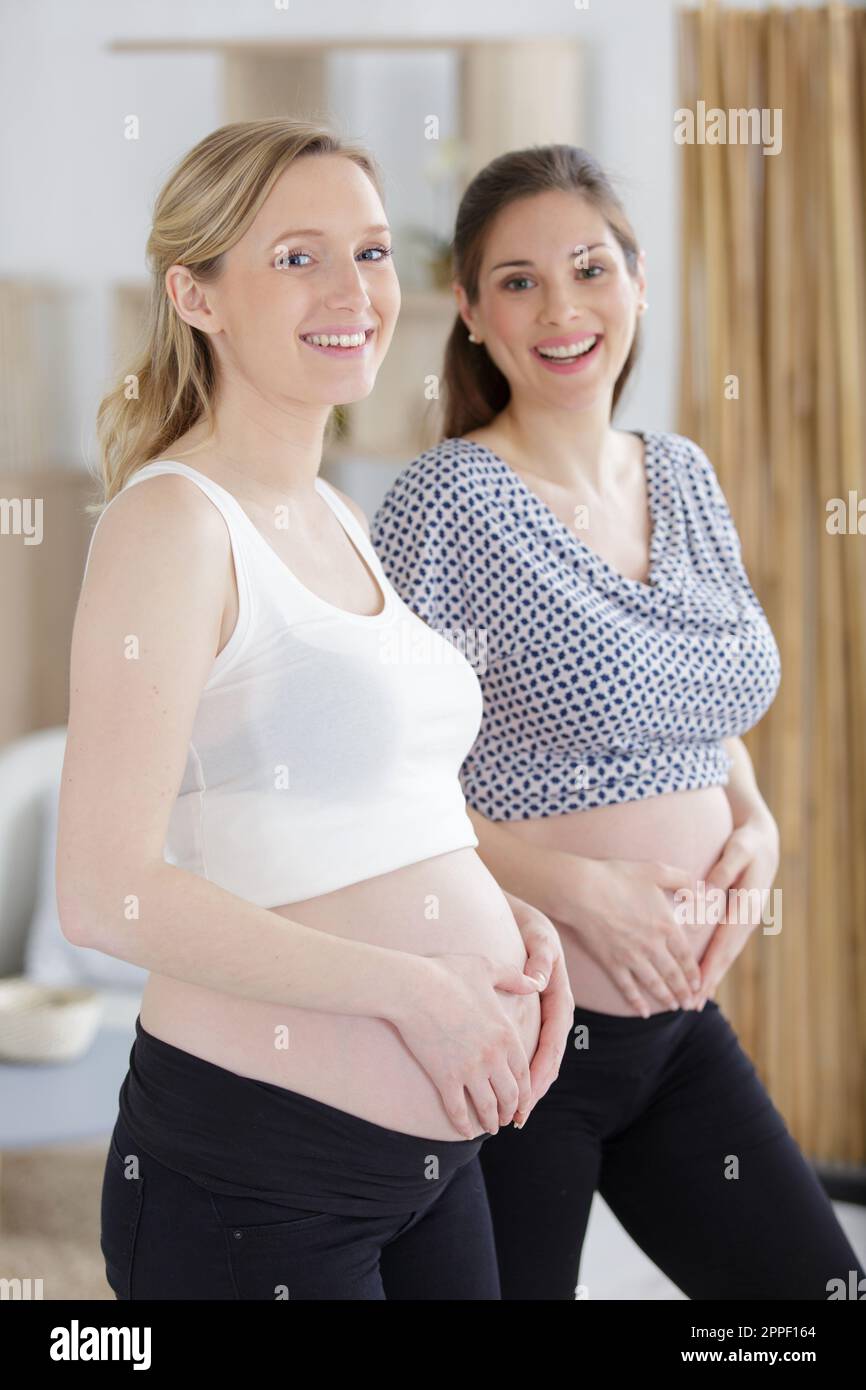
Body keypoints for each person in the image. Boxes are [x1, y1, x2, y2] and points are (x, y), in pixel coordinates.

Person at [57, 119, 575, 1302]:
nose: (355, 291)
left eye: (374, 251)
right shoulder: (172, 526)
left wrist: (502, 916)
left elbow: (375, 801)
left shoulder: (338, 510)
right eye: (297, 257)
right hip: (255, 1177)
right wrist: (416, 991)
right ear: (197, 295)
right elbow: (102, 890)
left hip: (430, 1163)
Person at [369, 143, 866, 1300]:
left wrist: (754, 821)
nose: (560, 308)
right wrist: (576, 888)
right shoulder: (444, 502)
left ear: (637, 282)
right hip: (521, 1040)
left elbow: (694, 693)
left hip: (676, 1031)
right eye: (518, 280)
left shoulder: (681, 472)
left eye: (589, 268)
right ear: (471, 314)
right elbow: (382, 782)